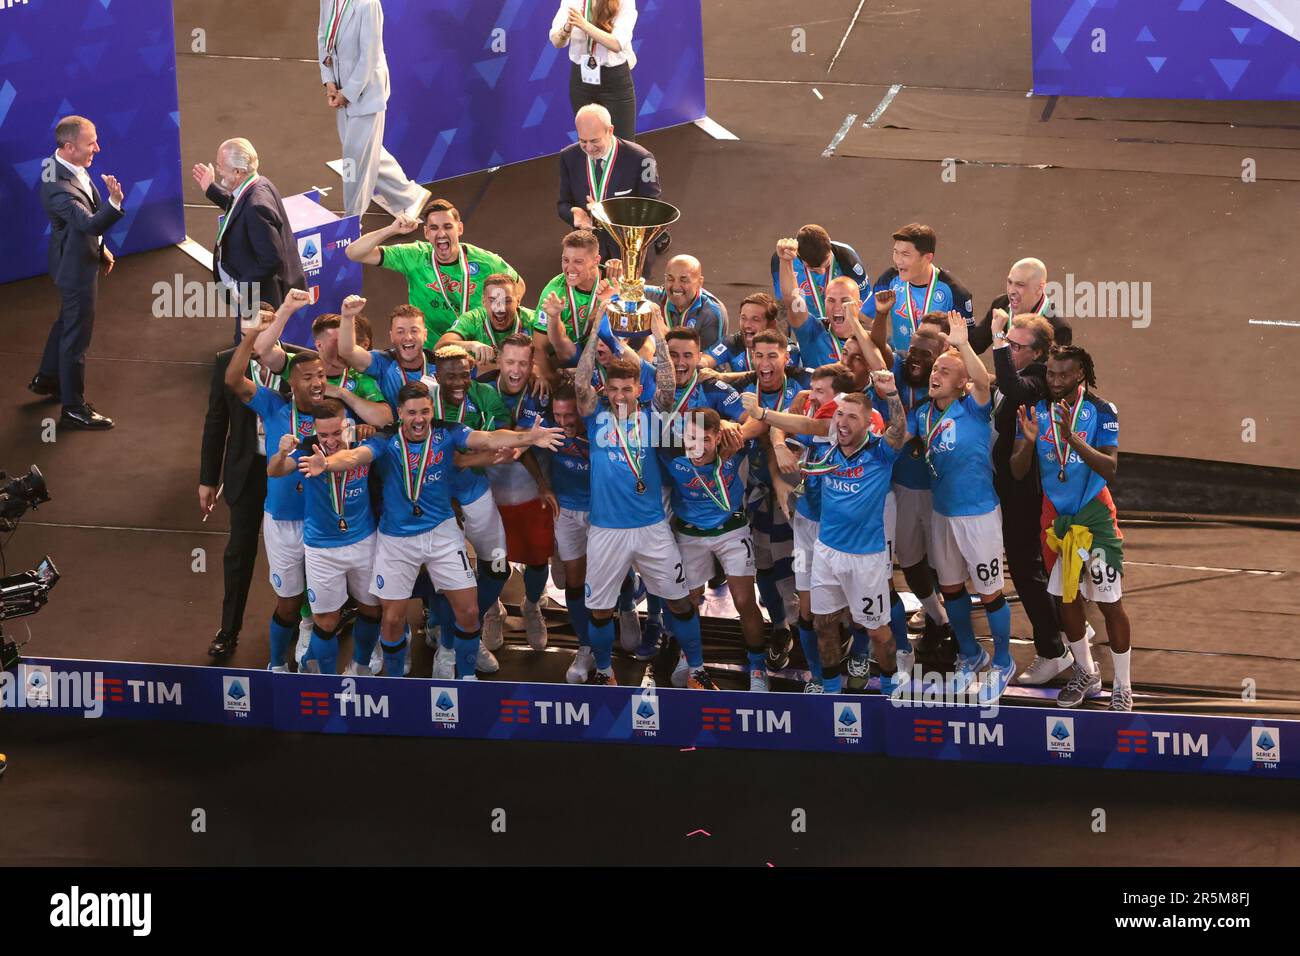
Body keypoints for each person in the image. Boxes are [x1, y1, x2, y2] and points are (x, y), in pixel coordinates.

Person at [304, 382, 564, 679]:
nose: (419, 419)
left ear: (431, 410)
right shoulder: (386, 439)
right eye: (412, 412)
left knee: (467, 613)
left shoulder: (447, 432)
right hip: (397, 538)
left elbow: (489, 438)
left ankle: (466, 678)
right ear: (400, 413)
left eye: (425, 411)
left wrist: (527, 436)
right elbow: (355, 456)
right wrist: (326, 463)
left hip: (441, 532)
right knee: (391, 619)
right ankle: (395, 683)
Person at [574, 306, 715, 688]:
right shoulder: (595, 418)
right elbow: (581, 382)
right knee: (600, 611)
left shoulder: (654, 421)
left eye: (628, 389)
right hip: (606, 530)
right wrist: (592, 333)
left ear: (639, 389)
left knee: (680, 601)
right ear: (607, 390)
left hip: (652, 529)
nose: (620, 395)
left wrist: (658, 335)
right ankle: (605, 672)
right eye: (614, 389)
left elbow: (667, 387)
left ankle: (697, 669)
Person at [1011, 345, 1132, 710]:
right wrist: (1028, 444)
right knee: (1067, 600)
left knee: (1110, 603)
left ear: (1080, 374)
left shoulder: (1101, 411)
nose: (1055, 381)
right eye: (1051, 374)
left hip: (1094, 518)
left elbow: (1109, 469)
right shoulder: (1036, 412)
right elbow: (1018, 472)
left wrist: (1073, 438)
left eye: (1064, 375)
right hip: (1059, 523)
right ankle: (1086, 671)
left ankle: (1123, 685)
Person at [223, 299, 331, 671]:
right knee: (287, 602)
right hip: (282, 521)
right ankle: (275, 665)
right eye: (308, 377)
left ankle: (316, 657)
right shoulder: (273, 407)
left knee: (322, 604)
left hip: (323, 520)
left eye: (321, 375)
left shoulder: (337, 412)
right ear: (291, 382)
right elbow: (233, 380)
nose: (318, 382)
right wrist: (252, 332)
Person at [913, 317, 1016, 704]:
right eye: (936, 368)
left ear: (962, 383)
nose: (936, 374)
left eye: (946, 371)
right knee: (952, 587)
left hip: (978, 515)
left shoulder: (974, 408)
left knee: (990, 592)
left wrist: (963, 345)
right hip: (942, 513)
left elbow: (985, 382)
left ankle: (1003, 661)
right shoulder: (923, 415)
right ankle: (972, 654)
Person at [200, 303, 297, 660]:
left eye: (261, 328)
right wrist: (207, 479)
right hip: (244, 470)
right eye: (247, 330)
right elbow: (215, 420)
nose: (252, 337)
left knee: (297, 551)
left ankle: (295, 623)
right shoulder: (225, 362)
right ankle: (229, 629)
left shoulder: (299, 362)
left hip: (288, 470)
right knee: (239, 553)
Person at [988, 310, 1072, 684]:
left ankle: (1053, 651)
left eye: (1016, 345)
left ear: (1038, 353)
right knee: (1028, 570)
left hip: (1023, 489)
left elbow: (1010, 384)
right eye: (1008, 340)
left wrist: (995, 341)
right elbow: (1000, 381)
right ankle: (1067, 641)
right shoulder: (1023, 375)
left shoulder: (1037, 380)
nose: (1010, 348)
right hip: (1007, 485)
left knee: (1027, 571)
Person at [807, 386, 909, 694]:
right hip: (826, 552)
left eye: (853, 417)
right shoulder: (826, 450)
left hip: (866, 559)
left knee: (876, 630)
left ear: (867, 423)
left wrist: (892, 393)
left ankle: (891, 684)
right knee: (822, 625)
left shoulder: (880, 452)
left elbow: (899, 429)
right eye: (840, 414)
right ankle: (829, 689)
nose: (843, 422)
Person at [275, 398, 384, 676]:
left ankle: (359, 666)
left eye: (337, 433)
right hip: (322, 547)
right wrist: (279, 454)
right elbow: (274, 472)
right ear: (315, 429)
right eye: (324, 435)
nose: (331, 440)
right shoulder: (305, 448)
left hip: (364, 541)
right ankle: (319, 675)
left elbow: (356, 457)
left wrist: (326, 463)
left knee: (371, 610)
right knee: (326, 622)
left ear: (346, 424)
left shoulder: (363, 442)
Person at [658, 409, 765, 689]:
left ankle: (757, 667)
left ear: (718, 437)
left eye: (705, 439)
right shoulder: (671, 452)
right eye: (691, 438)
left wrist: (735, 427)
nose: (697, 446)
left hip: (731, 531)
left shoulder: (733, 446)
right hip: (689, 533)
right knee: (687, 600)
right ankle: (690, 660)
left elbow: (763, 422)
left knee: (744, 601)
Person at [31, 116, 125, 429]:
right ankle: (73, 407)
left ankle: (48, 378)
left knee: (66, 321)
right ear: (69, 147)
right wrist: (114, 202)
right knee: (76, 336)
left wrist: (100, 249)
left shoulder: (67, 167)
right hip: (75, 270)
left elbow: (83, 228)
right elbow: (88, 223)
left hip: (77, 257)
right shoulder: (58, 187)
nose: (97, 147)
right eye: (90, 143)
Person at [476, 334, 563, 658]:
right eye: (510, 362)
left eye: (523, 363)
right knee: (493, 564)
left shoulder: (542, 392)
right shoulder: (480, 389)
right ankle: (492, 611)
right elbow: (511, 449)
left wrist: (543, 483)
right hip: (491, 497)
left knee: (539, 560)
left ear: (532, 364)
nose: (516, 370)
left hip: (532, 495)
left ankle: (530, 606)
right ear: (498, 360)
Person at [317, 0, 429, 219]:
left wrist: (347, 93)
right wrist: (329, 80)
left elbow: (370, 56)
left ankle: (351, 222)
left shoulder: (368, 4)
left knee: (354, 160)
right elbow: (323, 37)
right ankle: (408, 195)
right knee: (365, 150)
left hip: (366, 92)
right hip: (340, 86)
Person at [345, 200, 519, 339]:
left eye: (448, 226)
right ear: (426, 233)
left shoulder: (486, 261)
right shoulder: (416, 256)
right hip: (431, 350)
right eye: (434, 228)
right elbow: (353, 253)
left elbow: (518, 285)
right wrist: (391, 230)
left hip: (477, 343)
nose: (441, 234)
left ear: (460, 228)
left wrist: (498, 319)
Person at [740, 329, 804, 672]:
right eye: (759, 356)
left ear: (786, 358)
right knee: (762, 563)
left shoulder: (800, 391)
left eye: (772, 356)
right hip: (755, 492)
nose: (765, 363)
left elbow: (765, 432)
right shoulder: (744, 391)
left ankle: (810, 625)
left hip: (795, 495)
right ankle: (781, 627)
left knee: (794, 566)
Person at [192, 138, 306, 319]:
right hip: (253, 293)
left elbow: (270, 260)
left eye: (220, 166)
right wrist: (211, 189)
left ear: (238, 171)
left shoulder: (256, 208)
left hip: (258, 299)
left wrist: (241, 287)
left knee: (253, 343)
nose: (218, 169)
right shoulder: (259, 184)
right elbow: (238, 207)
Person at [556, 104, 666, 274]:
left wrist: (606, 212)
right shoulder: (568, 157)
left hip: (628, 255)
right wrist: (574, 214)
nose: (589, 148)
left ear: (610, 130)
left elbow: (653, 209)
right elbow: (563, 203)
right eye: (582, 141)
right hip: (588, 256)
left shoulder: (641, 159)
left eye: (594, 140)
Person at [539, 376, 598, 683]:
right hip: (565, 510)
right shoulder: (549, 428)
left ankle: (628, 607)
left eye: (569, 416)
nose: (563, 422)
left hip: (602, 513)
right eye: (558, 416)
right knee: (574, 581)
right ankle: (585, 646)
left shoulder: (600, 429)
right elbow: (524, 449)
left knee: (605, 578)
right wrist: (542, 486)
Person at [253, 308, 392, 428]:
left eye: (347, 341)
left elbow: (385, 420)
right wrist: (287, 307)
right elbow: (262, 349)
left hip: (341, 453)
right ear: (319, 345)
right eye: (338, 342)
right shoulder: (300, 366)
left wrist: (342, 393)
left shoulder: (359, 376)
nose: (344, 348)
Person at [872, 223, 973, 355]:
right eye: (895, 252)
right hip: (900, 364)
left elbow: (969, 344)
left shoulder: (955, 292)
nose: (898, 261)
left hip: (937, 368)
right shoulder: (889, 280)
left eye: (905, 254)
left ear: (928, 258)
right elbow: (864, 317)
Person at [550, 1, 640, 142]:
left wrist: (584, 25)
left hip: (614, 80)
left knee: (623, 144)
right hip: (581, 80)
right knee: (589, 142)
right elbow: (556, 42)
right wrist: (567, 28)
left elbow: (616, 44)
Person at [337, 300, 438, 410]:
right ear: (391, 336)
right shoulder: (382, 361)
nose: (408, 337)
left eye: (414, 331)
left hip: (435, 427)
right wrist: (347, 317)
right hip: (394, 427)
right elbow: (347, 351)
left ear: (425, 335)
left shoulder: (439, 363)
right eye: (400, 331)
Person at [532, 230, 606, 378]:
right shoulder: (554, 291)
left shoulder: (612, 281)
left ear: (596, 261)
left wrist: (610, 303)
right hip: (570, 360)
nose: (569, 269)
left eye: (578, 262)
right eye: (566, 260)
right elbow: (539, 346)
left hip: (606, 356)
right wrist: (543, 377)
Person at [436, 273, 535, 374]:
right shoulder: (473, 319)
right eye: (493, 300)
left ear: (518, 301)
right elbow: (439, 347)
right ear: (483, 301)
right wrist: (471, 345)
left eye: (507, 301)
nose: (500, 309)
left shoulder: (532, 320)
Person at [970, 258, 1071, 355]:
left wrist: (998, 336)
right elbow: (975, 344)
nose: (1011, 291)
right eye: (1010, 282)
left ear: (1039, 288)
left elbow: (1044, 372)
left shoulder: (1058, 328)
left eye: (1020, 285)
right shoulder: (1001, 304)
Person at [772, 225, 870, 318]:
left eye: (827, 263)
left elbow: (864, 300)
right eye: (813, 269)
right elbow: (783, 306)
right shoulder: (782, 259)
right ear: (798, 254)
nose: (822, 272)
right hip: (806, 322)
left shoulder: (847, 257)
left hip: (841, 320)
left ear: (829, 242)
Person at [704, 292, 802, 373]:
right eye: (743, 318)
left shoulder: (787, 350)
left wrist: (724, 377)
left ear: (772, 325)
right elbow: (705, 360)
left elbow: (768, 378)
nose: (747, 325)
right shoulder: (733, 343)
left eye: (755, 319)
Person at [644, 255, 727, 351]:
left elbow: (705, 361)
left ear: (700, 282)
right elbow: (632, 291)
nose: (675, 286)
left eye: (684, 280)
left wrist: (663, 336)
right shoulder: (656, 296)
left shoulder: (712, 312)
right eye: (670, 279)